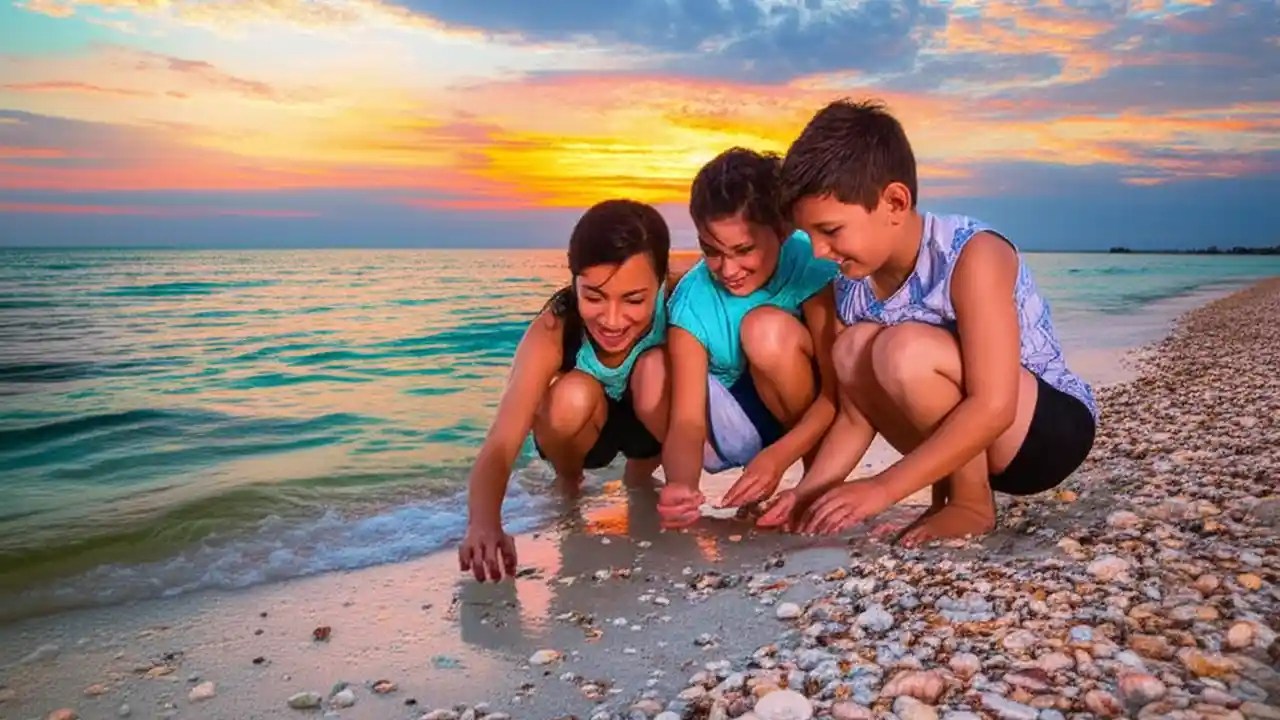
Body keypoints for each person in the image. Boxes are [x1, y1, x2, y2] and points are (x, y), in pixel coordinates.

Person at [758, 98, 1098, 545]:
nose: (819, 251)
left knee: (904, 350)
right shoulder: (853, 286)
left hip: (1043, 432)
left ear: (895, 202)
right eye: (810, 236)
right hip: (974, 441)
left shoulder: (972, 254)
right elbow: (856, 415)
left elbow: (994, 403)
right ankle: (950, 498)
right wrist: (810, 493)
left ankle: (970, 503)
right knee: (853, 347)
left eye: (831, 231)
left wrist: (883, 489)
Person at [459, 199, 674, 582]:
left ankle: (643, 481)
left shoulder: (681, 298)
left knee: (656, 366)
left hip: (651, 420)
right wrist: (484, 523)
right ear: (573, 278)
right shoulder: (554, 328)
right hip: (584, 431)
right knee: (570, 396)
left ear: (661, 280)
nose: (611, 319)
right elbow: (501, 441)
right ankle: (568, 481)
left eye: (634, 300)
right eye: (593, 296)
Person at [656, 147, 841, 529]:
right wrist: (681, 486)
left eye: (743, 250)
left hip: (815, 413)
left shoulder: (810, 262)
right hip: (741, 425)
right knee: (652, 373)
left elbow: (836, 393)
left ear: (782, 230)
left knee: (764, 329)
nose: (728, 269)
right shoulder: (691, 303)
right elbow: (688, 421)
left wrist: (780, 458)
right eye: (711, 251)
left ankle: (816, 484)